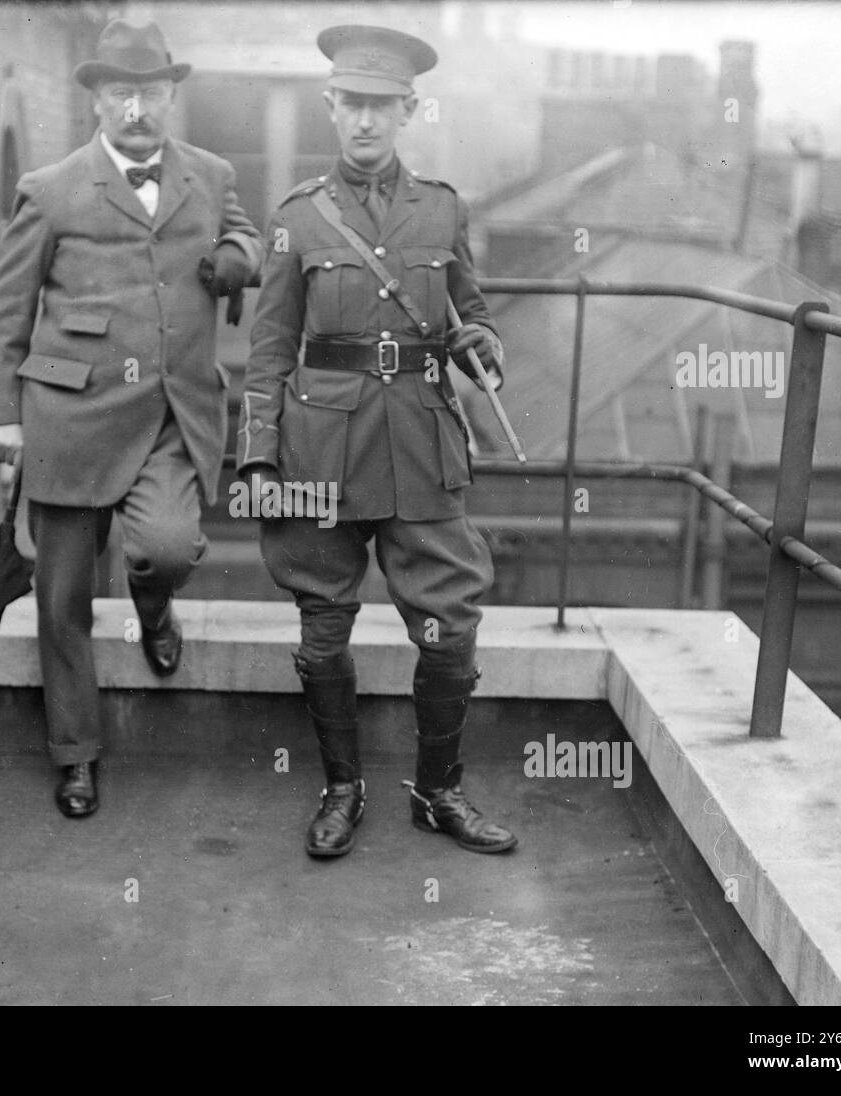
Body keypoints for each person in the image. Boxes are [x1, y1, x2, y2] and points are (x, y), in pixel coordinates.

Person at [236, 24, 517, 858]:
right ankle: (342, 788)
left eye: (381, 107)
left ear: (408, 111)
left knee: (450, 620)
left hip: (421, 443)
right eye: (351, 104)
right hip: (319, 449)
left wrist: (484, 347)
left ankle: (438, 792)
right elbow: (269, 347)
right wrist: (257, 451)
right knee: (325, 619)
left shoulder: (443, 207)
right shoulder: (295, 219)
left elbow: (474, 308)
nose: (365, 121)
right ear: (330, 108)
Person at [0, 19, 264, 819]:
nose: (136, 109)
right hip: (69, 418)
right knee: (61, 600)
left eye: (150, 93)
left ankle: (153, 601)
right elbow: (3, 314)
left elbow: (245, 231)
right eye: (119, 94)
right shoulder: (51, 188)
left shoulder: (210, 174)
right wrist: (4, 420)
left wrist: (241, 258)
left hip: (172, 411)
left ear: (171, 96)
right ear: (98, 101)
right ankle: (75, 755)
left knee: (168, 546)